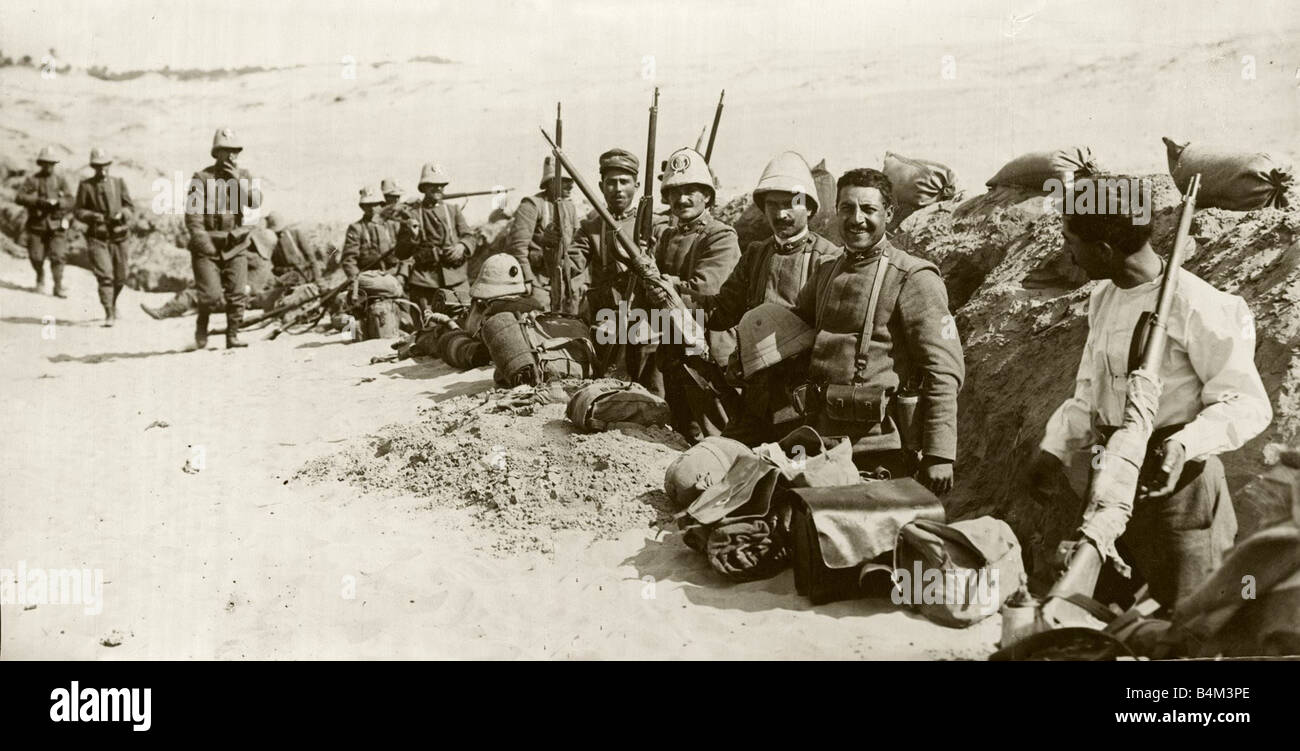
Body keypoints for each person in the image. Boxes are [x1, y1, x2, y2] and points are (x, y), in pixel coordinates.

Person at [1027, 175, 1272, 610]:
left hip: (1178, 491)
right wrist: (1055, 448)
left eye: (1071, 240)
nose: (1067, 252)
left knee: (1190, 621)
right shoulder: (1103, 296)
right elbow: (1091, 391)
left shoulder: (1195, 302)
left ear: (1104, 248)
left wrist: (1183, 445)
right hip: (1113, 478)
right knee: (1102, 616)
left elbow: (1248, 402)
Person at [793, 168, 964, 492]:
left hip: (882, 449)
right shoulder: (827, 272)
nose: (856, 219)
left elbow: (944, 369)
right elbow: (795, 330)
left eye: (869, 209)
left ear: (889, 213)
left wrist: (939, 453)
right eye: (847, 208)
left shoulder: (913, 277)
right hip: (822, 439)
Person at [707, 150, 842, 444]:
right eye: (772, 205)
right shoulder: (756, 254)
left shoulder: (829, 259)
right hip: (755, 396)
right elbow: (721, 311)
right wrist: (675, 297)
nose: (781, 214)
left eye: (790, 204)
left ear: (809, 207)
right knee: (717, 461)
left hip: (801, 402)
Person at [652, 147, 741, 442]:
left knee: (718, 430)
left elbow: (705, 290)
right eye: (675, 191)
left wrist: (665, 284)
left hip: (707, 349)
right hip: (674, 346)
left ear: (708, 196)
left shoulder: (721, 235)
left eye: (691, 190)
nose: (682, 198)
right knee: (680, 428)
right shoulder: (666, 236)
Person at [572, 147, 666, 386]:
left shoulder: (656, 225)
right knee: (608, 387)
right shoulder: (590, 228)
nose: (618, 189)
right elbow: (571, 265)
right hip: (607, 322)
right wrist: (554, 248)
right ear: (602, 186)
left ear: (636, 185)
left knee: (653, 389)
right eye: (611, 182)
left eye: (624, 181)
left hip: (649, 321)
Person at [184, 127, 262, 348]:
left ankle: (232, 336)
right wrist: (205, 245)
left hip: (235, 244)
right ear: (216, 153)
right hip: (207, 245)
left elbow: (255, 202)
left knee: (237, 293)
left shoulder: (244, 176)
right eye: (226, 151)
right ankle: (202, 324)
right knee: (210, 295)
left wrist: (237, 180)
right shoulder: (201, 178)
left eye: (235, 152)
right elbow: (193, 217)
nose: (231, 156)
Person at [396, 162, 480, 319]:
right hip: (425, 284)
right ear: (424, 187)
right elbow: (401, 252)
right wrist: (412, 237)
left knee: (466, 325)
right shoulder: (412, 214)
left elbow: (469, 236)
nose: (438, 188)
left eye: (441, 185)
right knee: (428, 332)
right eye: (433, 185)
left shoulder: (453, 210)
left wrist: (462, 246)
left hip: (456, 281)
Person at [503, 156, 585, 314]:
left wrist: (582, 280)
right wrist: (528, 280)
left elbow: (579, 244)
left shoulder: (570, 207)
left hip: (568, 285)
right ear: (551, 181)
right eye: (566, 180)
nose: (572, 185)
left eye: (572, 180)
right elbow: (518, 247)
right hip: (540, 283)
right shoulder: (532, 205)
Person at [74, 148, 136, 326]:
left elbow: (130, 207)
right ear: (93, 167)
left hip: (119, 236)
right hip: (97, 237)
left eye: (105, 166)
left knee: (121, 276)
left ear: (109, 165)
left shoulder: (118, 183)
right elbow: (78, 210)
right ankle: (108, 312)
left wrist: (122, 214)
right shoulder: (86, 186)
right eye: (98, 166)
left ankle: (113, 302)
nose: (102, 170)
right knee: (105, 276)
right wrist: (92, 216)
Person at [15, 146, 74, 297]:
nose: (48, 166)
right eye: (45, 163)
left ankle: (58, 286)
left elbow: (71, 200)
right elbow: (19, 197)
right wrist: (38, 202)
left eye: (51, 163)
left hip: (56, 225)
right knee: (36, 256)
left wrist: (58, 203)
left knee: (58, 256)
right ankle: (40, 275)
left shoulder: (60, 180)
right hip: (37, 225)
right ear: (40, 163)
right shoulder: (33, 180)